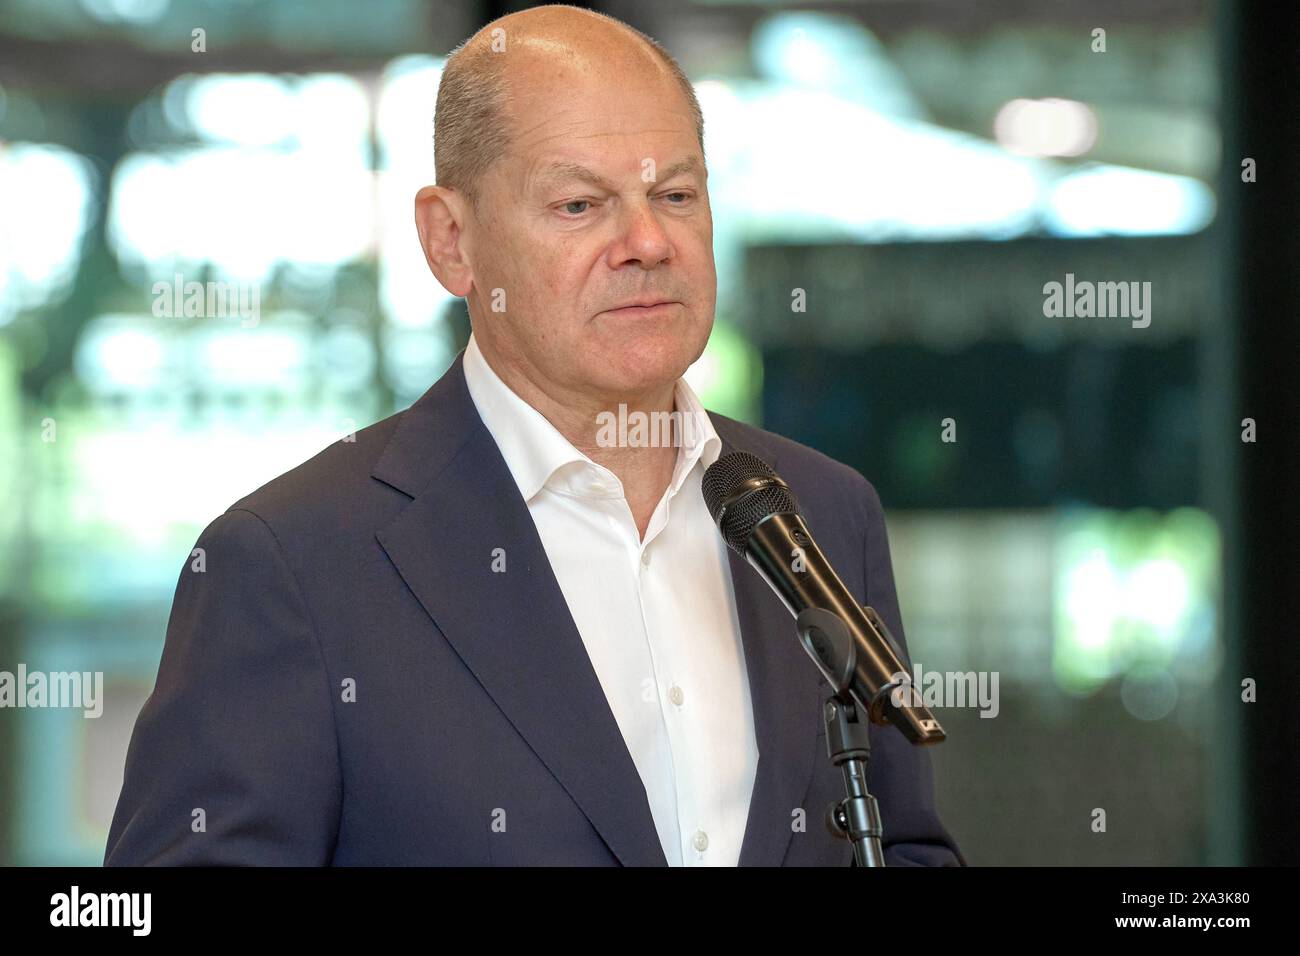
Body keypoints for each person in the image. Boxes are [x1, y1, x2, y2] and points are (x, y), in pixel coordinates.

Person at [105, 3, 963, 867]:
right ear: (451, 241)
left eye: (676, 194)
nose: (647, 242)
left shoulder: (816, 509)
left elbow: (907, 847)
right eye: (580, 204)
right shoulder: (292, 565)